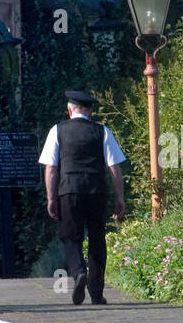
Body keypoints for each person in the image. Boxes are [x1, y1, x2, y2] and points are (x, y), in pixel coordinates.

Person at [39, 90, 126, 305]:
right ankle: (96, 293)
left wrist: (51, 198)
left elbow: (51, 168)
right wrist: (119, 197)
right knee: (97, 239)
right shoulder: (102, 131)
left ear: (70, 110)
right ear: (90, 112)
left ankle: (79, 272)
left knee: (71, 236)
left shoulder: (57, 130)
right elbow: (114, 167)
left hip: (68, 191)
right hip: (96, 191)